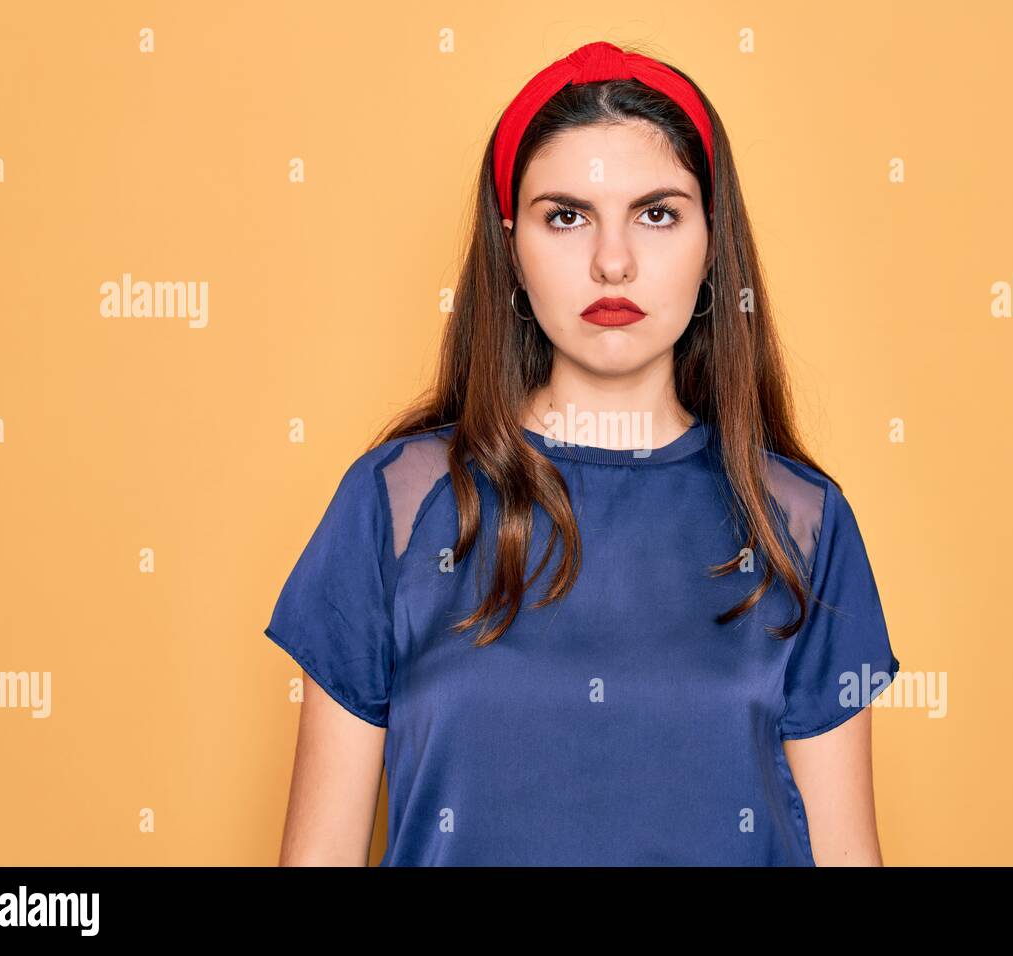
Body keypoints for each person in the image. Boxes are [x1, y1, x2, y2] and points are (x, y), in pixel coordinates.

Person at [263, 40, 901, 866]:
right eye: (566, 216)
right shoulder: (394, 507)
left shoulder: (801, 524)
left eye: (657, 213)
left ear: (713, 244)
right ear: (512, 251)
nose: (613, 261)